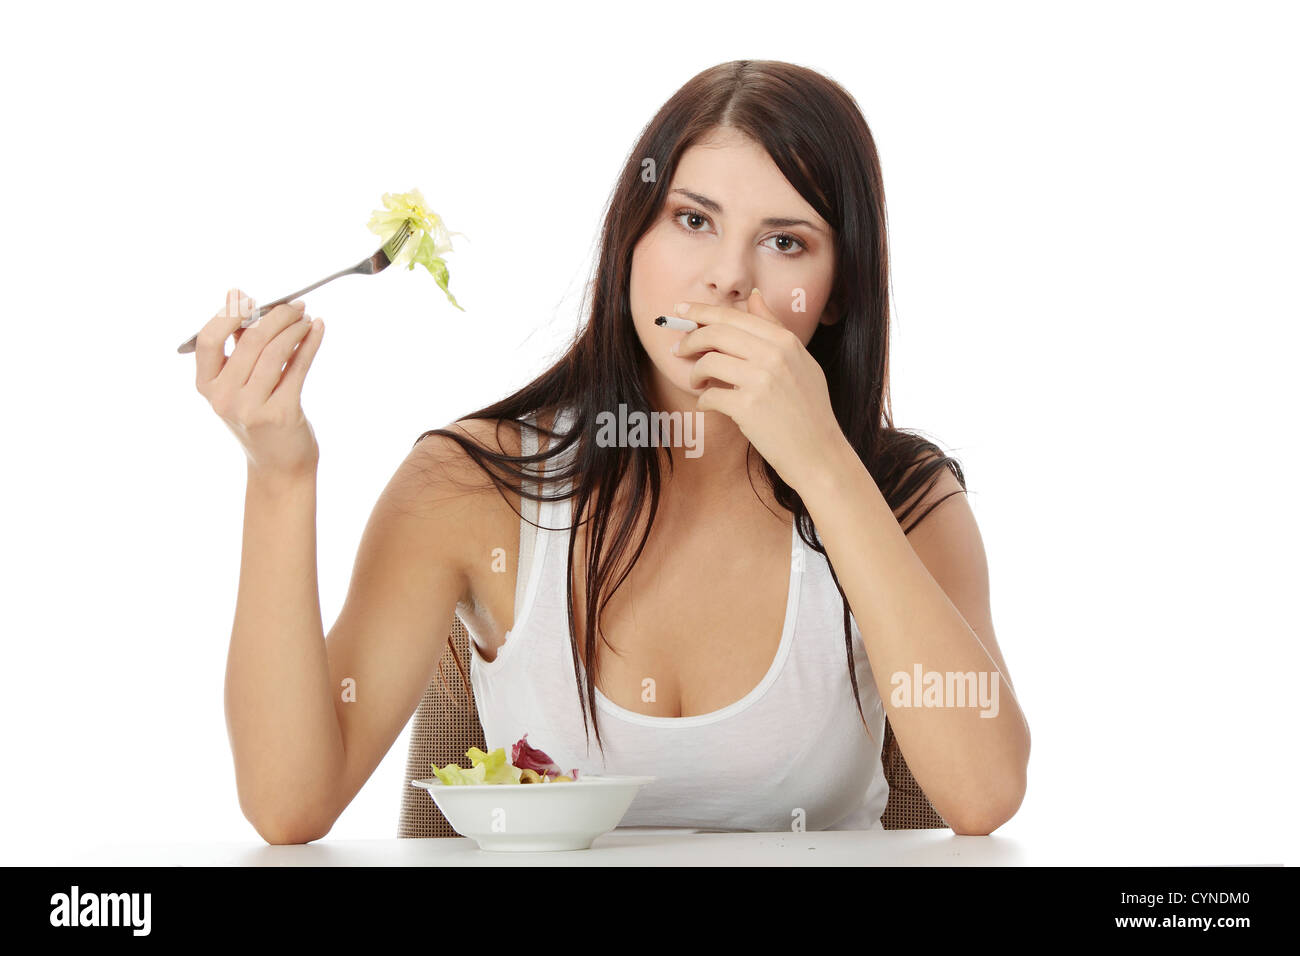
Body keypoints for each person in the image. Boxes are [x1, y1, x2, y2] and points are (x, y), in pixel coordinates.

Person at [196, 59, 1030, 845]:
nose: (727, 280)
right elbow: (287, 803)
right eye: (693, 221)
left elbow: (985, 794)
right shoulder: (467, 486)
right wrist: (279, 474)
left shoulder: (902, 494)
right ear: (631, 239)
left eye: (786, 243)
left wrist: (825, 468)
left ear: (839, 288)